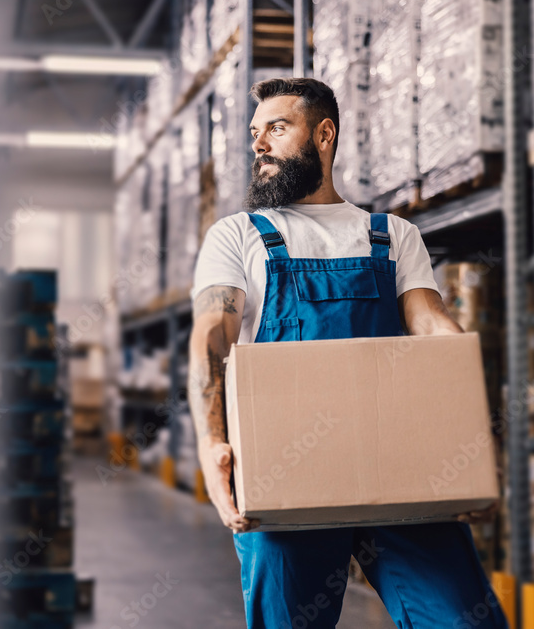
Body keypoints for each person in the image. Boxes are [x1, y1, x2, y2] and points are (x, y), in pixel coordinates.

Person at [187, 77, 508, 628]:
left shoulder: (392, 235)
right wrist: (211, 442)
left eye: (278, 128)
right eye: (255, 133)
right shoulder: (238, 235)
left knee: (464, 620)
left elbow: (430, 322)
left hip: (399, 470)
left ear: (325, 134)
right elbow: (213, 335)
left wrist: (471, 439)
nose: (259, 144)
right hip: (285, 476)